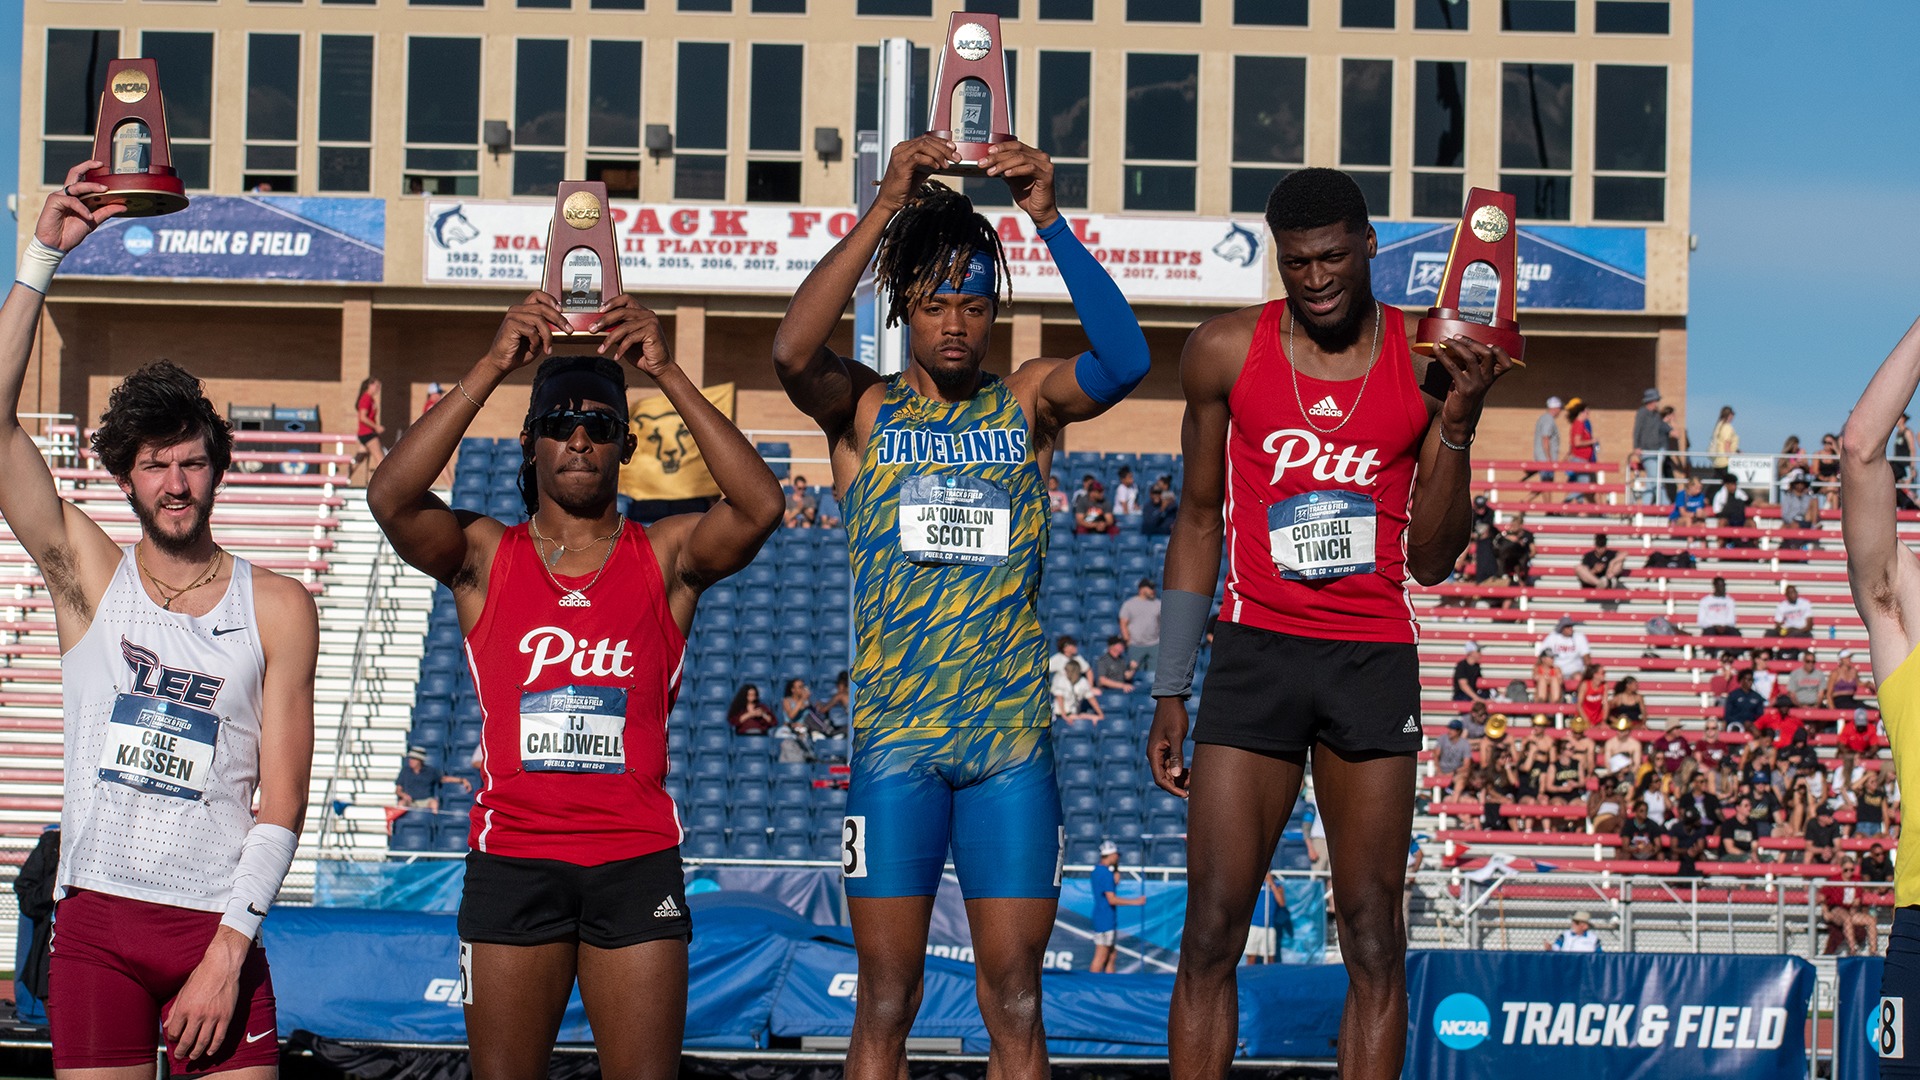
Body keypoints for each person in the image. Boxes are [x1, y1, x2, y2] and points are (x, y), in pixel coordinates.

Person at [770, 134, 1149, 1080]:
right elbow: (790, 348)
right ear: (905, 309)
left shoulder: (1025, 406)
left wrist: (1048, 216)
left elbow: (1129, 355)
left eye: (974, 306)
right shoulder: (863, 411)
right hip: (896, 748)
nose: (954, 325)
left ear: (993, 314)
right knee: (885, 1003)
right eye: (935, 305)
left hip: (1008, 749)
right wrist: (888, 205)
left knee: (1016, 1000)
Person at [1147, 168, 1514, 1080]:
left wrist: (1459, 421)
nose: (1315, 279)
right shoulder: (1225, 351)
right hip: (1256, 654)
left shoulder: (1431, 360)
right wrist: (1168, 686)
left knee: (1371, 933)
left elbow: (1431, 559)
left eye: (1333, 258)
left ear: (1370, 246)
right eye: (1297, 262)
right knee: (1212, 929)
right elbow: (1198, 520)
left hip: (1370, 658)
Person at [368, 288, 784, 1079]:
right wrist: (493, 364)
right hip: (514, 858)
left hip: (635, 859)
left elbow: (760, 505)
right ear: (530, 445)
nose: (581, 439)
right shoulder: (487, 557)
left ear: (626, 445)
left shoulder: (663, 558)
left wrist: (665, 373)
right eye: (560, 425)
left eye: (600, 425)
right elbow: (390, 496)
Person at [3, 169, 320, 1078]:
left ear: (218, 470)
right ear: (126, 477)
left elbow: (283, 805)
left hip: (214, 924)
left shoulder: (278, 606)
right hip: (98, 921)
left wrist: (227, 956)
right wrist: (41, 257)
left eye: (191, 463)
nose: (175, 484)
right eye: (154, 466)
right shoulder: (90, 583)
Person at [1089, 840, 1145, 973]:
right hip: (1105, 919)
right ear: (1111, 855)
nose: (1118, 857)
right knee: (1101, 955)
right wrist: (1135, 902)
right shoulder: (1106, 874)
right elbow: (1112, 899)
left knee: (1112, 954)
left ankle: (1108, 983)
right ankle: (1090, 985)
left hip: (1103, 916)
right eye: (1116, 855)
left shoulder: (1097, 871)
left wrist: (1115, 871)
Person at [396, 747, 470, 811]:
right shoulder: (405, 771)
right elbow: (398, 790)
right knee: (401, 803)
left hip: (426, 800)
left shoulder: (430, 771)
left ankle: (434, 824)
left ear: (420, 760)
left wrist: (462, 780)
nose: (410, 761)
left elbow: (444, 779)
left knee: (434, 803)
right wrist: (403, 795)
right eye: (410, 758)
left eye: (413, 759)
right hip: (410, 801)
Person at [1631, 388, 1673, 498]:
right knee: (1657, 480)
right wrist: (1636, 446)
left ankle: (1645, 507)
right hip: (1647, 451)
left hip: (1657, 450)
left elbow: (1661, 428)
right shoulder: (1642, 413)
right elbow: (1637, 430)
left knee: (1651, 481)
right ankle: (1665, 505)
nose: (1657, 403)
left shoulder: (1657, 415)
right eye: (1655, 400)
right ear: (1651, 401)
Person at [1244, 871, 1291, 965]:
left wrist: (1271, 884)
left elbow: (1282, 903)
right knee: (1251, 957)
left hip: (1269, 927)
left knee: (1270, 958)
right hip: (1254, 926)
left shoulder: (1277, 886)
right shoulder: (1254, 884)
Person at [1119, 578, 1162, 672]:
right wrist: (1127, 640)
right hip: (1136, 644)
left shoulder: (1158, 604)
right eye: (1150, 588)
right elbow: (1123, 623)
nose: (1153, 590)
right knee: (1135, 673)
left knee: (1154, 675)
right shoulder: (1129, 604)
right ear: (1142, 589)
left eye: (1153, 588)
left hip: (1154, 644)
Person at [352, 376, 386, 482]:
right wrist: (376, 427)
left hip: (366, 433)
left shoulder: (370, 399)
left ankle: (343, 478)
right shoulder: (366, 398)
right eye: (376, 386)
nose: (378, 389)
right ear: (369, 385)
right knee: (381, 460)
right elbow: (362, 417)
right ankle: (378, 484)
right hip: (367, 433)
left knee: (359, 458)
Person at [1540, 616, 1591, 685]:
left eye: (1571, 626)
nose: (1570, 629)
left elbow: (1586, 656)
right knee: (1554, 678)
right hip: (1556, 670)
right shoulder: (1552, 637)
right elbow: (1543, 655)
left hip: (1574, 670)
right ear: (1561, 628)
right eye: (1567, 627)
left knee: (1579, 677)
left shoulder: (1579, 637)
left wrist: (1588, 672)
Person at [1563, 398, 1598, 493]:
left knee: (1577, 485)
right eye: (1586, 412)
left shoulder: (1582, 423)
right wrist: (1592, 441)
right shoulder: (1579, 424)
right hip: (1580, 458)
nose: (1588, 414)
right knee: (1583, 486)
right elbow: (1577, 442)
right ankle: (1565, 504)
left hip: (1584, 458)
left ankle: (1572, 505)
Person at [1052, 659, 1102, 724]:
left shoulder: (1083, 682)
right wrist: (1064, 716)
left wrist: (1100, 714)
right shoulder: (1061, 680)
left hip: (1074, 713)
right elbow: (1060, 698)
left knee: (1093, 718)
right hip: (1060, 714)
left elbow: (1091, 699)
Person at [1528, 396, 1562, 488]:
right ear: (1555, 408)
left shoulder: (1544, 418)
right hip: (1545, 459)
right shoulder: (1548, 420)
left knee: (1546, 483)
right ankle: (1547, 503)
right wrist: (1548, 458)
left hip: (1543, 458)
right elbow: (1545, 439)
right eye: (1560, 408)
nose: (1560, 411)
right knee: (1547, 484)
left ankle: (1525, 500)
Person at [1709, 405, 1739, 480]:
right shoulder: (1727, 427)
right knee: (1726, 481)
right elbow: (1727, 443)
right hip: (1725, 461)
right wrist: (1731, 457)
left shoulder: (1718, 425)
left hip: (1717, 459)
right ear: (1730, 415)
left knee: (1717, 481)